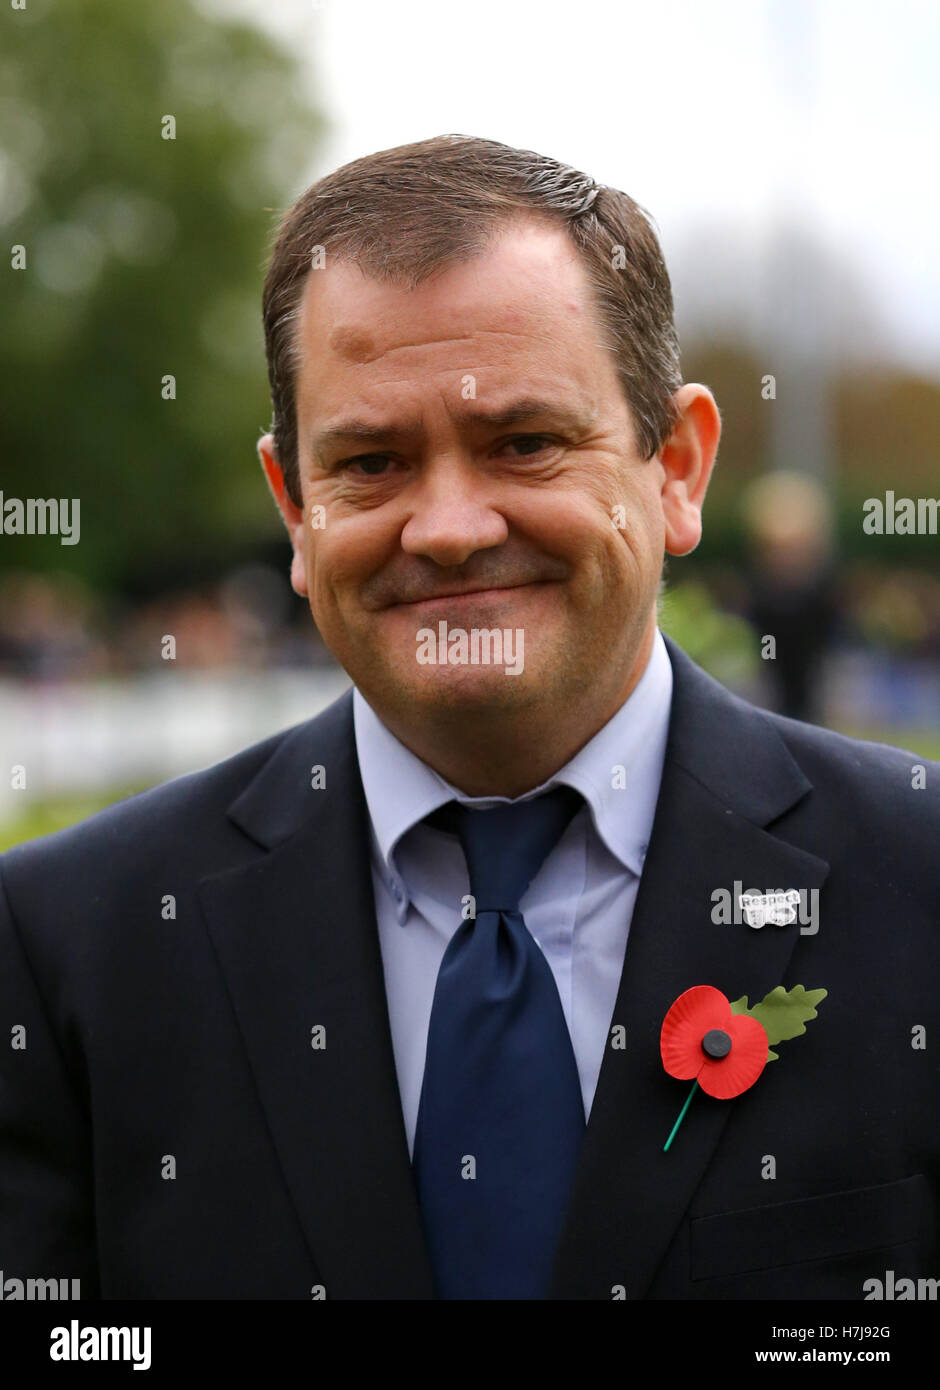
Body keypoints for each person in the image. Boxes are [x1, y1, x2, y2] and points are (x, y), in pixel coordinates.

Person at [1, 135, 936, 1301]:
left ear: (678, 468)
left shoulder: (917, 879)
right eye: (373, 462)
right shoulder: (69, 943)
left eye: (524, 443)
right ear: (294, 507)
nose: (446, 526)